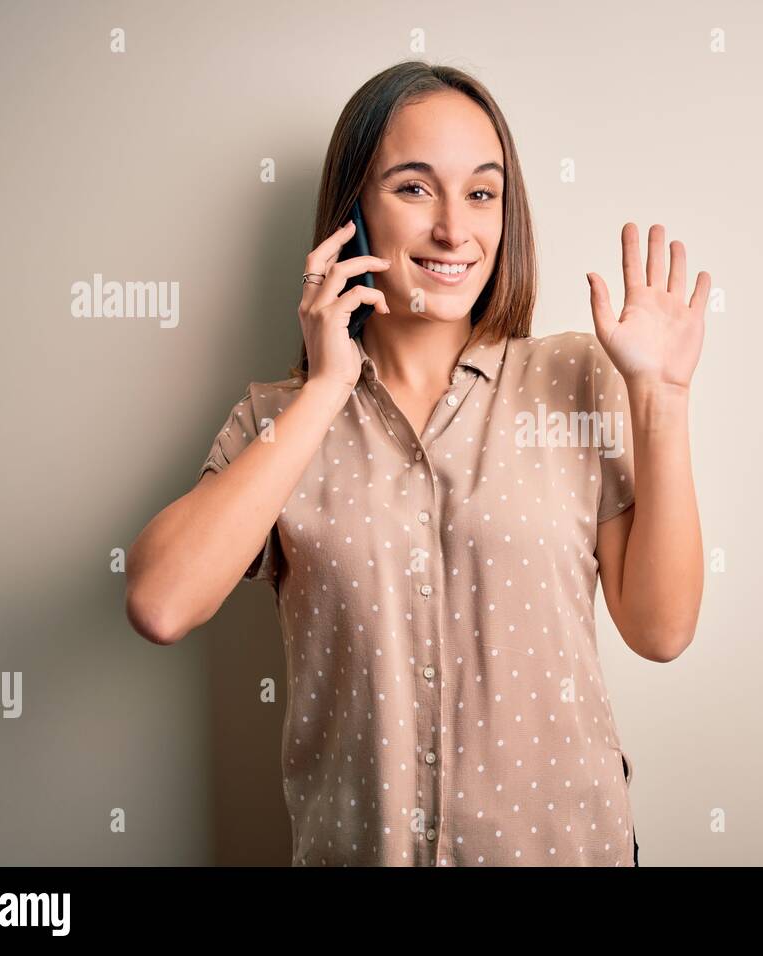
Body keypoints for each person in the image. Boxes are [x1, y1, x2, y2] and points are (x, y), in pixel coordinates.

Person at [125, 60, 708, 866]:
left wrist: (663, 397)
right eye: (412, 188)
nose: (453, 230)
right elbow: (159, 603)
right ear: (351, 215)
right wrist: (330, 384)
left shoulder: (574, 377)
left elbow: (661, 628)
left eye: (481, 192)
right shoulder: (276, 419)